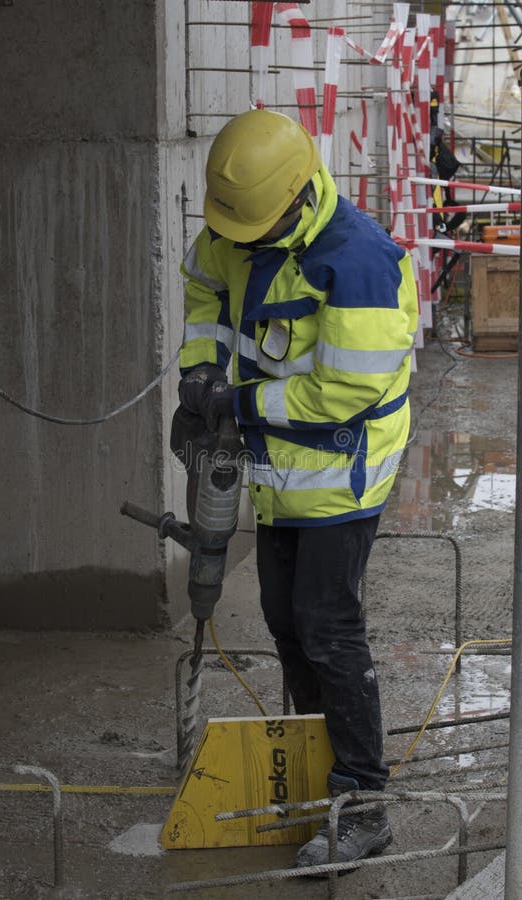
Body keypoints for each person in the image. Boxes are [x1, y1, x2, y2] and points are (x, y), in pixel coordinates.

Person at [174, 108, 418, 868]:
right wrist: (200, 372)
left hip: (340, 473)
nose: (233, 240)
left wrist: (236, 405)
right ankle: (321, 776)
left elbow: (344, 392)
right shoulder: (234, 232)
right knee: (285, 620)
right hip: (279, 476)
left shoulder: (359, 261)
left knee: (328, 627)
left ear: (294, 195)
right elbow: (206, 293)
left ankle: (363, 801)